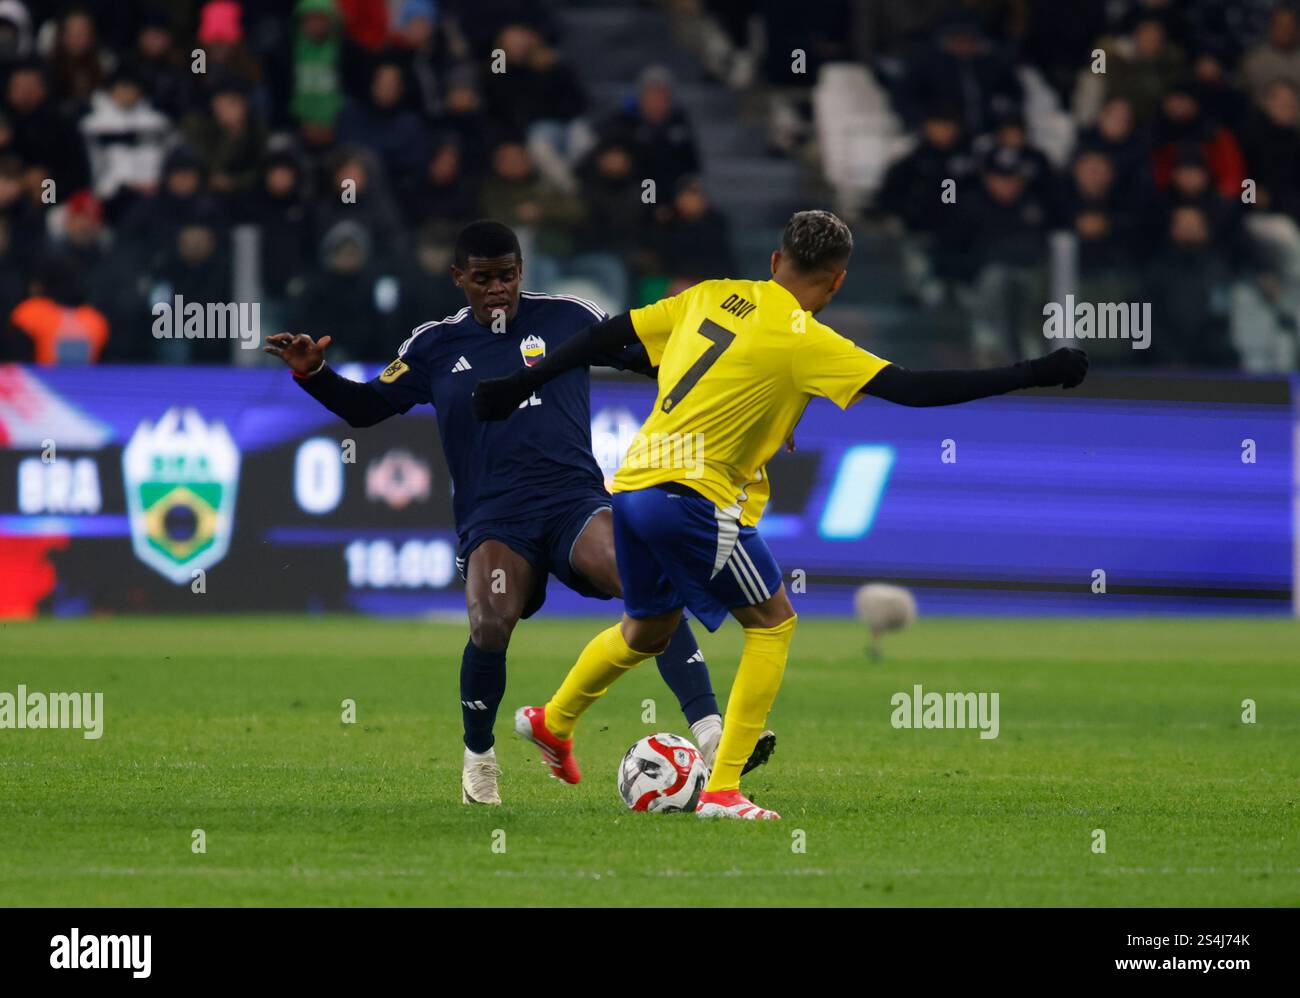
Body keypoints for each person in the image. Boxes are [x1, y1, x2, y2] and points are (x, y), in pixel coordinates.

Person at [473, 210, 1088, 820]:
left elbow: (609, 335)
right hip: (692, 497)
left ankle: (552, 722)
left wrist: (518, 381)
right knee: (773, 622)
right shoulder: (806, 340)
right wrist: (1036, 371)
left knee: (647, 629)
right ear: (839, 280)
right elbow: (915, 388)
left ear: (775, 262)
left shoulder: (710, 296)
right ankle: (722, 790)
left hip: (631, 490)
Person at [264, 220, 774, 806]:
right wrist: (314, 374)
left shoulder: (569, 318)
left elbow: (667, 365)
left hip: (573, 502)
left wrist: (758, 409)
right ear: (459, 278)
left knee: (648, 584)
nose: (497, 289)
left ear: (521, 271)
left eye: (507, 276)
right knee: (489, 624)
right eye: (482, 279)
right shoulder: (433, 345)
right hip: (495, 519)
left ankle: (710, 734)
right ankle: (480, 758)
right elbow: (367, 408)